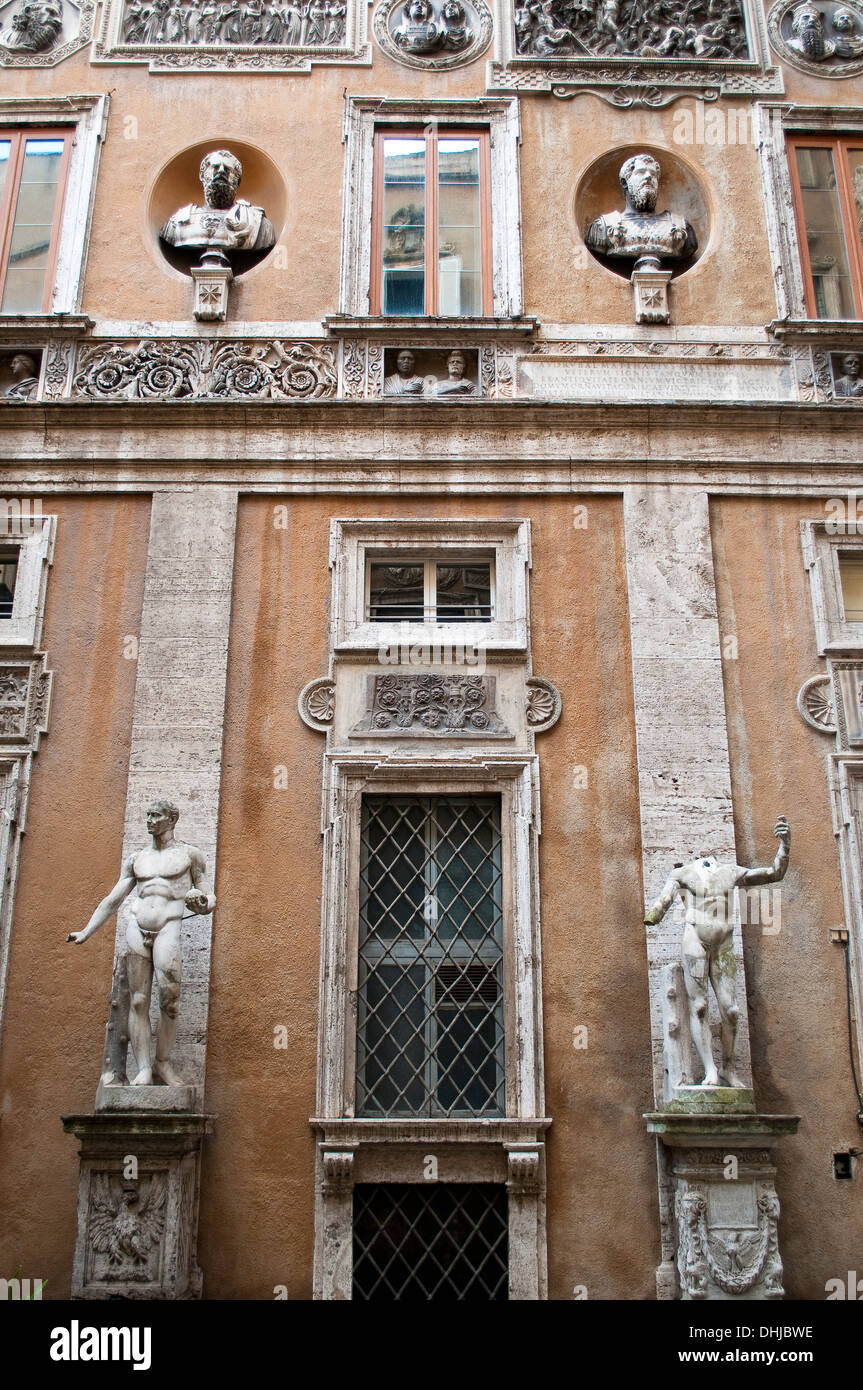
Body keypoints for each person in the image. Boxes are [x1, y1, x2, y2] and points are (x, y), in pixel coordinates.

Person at [67, 800, 215, 1087]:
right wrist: (86, 931)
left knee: (170, 997)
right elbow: (112, 900)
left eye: (156, 815)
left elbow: (208, 895)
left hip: (169, 925)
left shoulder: (189, 855)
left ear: (172, 820)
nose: (150, 820)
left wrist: (203, 902)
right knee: (138, 1000)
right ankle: (144, 1068)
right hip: (137, 925)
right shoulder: (137, 859)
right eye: (148, 815)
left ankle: (163, 1063)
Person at [645, 817, 790, 1088]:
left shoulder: (731, 872)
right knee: (699, 1006)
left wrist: (785, 845)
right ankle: (710, 1070)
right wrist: (653, 915)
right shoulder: (683, 874)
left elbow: (773, 873)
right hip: (695, 942)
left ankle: (728, 1068)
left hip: (724, 944)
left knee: (731, 1010)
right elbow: (664, 900)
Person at [586, 152, 697, 269]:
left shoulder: (680, 226)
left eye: (653, 174)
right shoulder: (603, 227)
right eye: (641, 172)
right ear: (625, 183)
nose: (648, 176)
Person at [160, 148, 275, 255]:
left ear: (237, 180)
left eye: (227, 169)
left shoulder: (257, 224)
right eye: (215, 167)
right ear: (202, 175)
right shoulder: (176, 224)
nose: (221, 171)